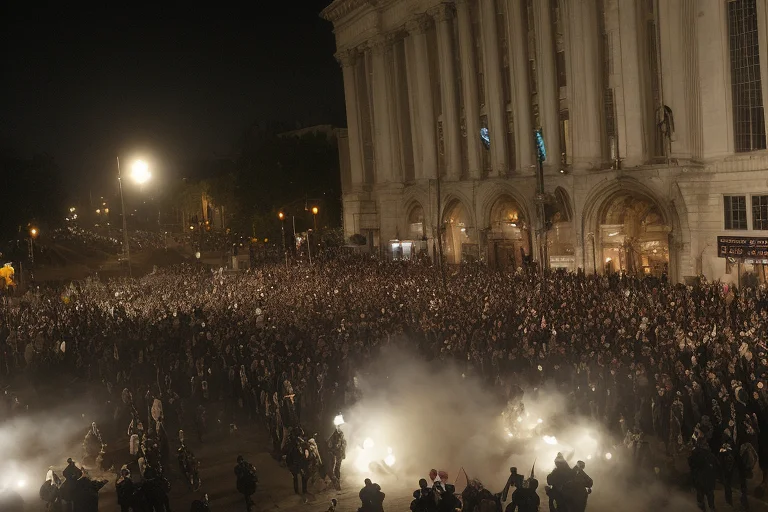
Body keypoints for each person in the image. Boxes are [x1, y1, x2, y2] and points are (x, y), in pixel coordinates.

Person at [689, 438, 718, 512]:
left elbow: (691, 465)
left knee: (701, 499)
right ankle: (711, 509)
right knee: (710, 498)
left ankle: (704, 509)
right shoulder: (710, 455)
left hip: (700, 480)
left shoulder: (695, 454)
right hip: (708, 480)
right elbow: (716, 466)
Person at [327, 425, 346, 490]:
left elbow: (337, 445)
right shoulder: (339, 434)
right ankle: (336, 483)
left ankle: (336, 484)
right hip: (336, 454)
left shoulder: (335, 435)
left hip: (335, 454)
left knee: (334, 469)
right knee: (336, 469)